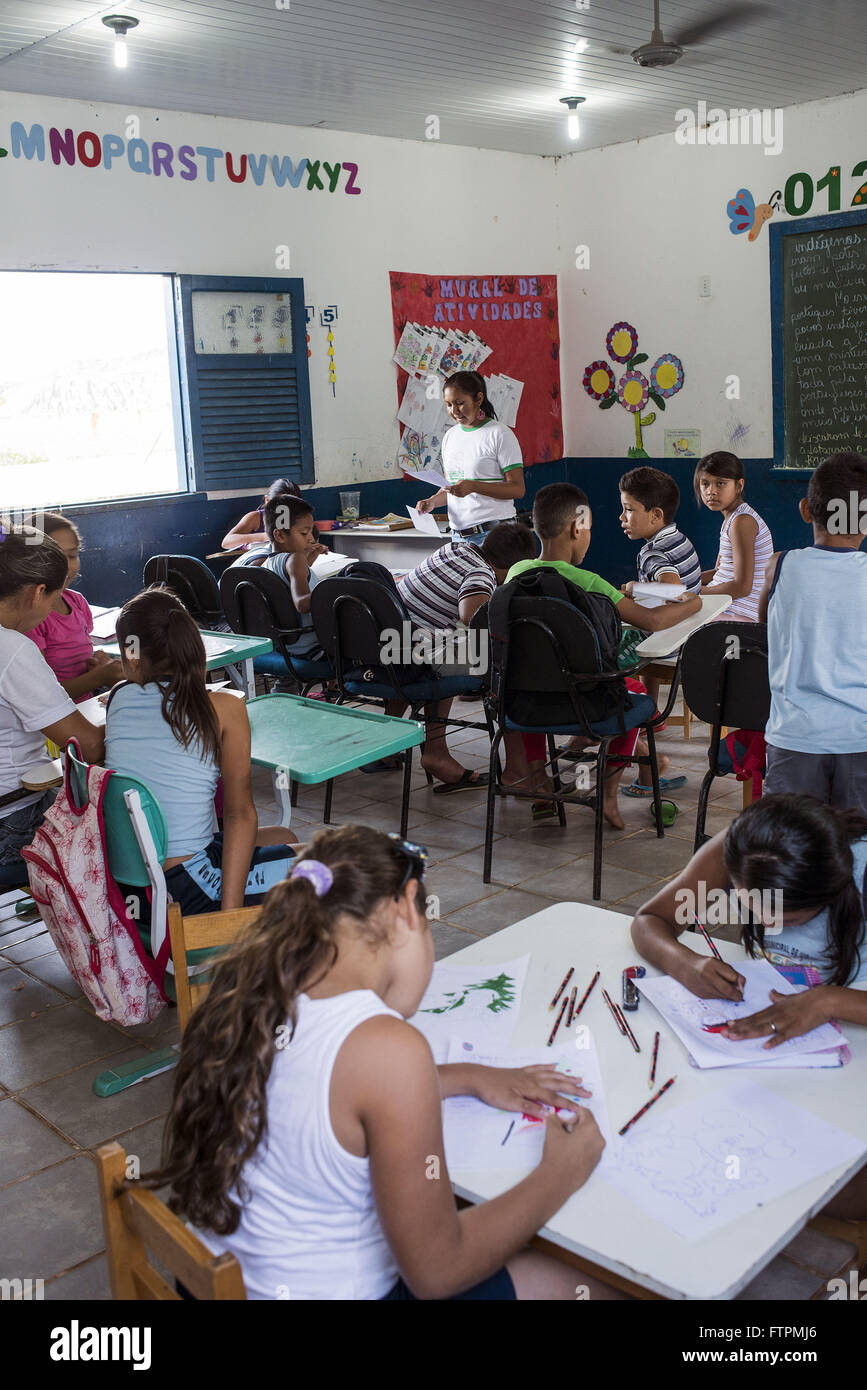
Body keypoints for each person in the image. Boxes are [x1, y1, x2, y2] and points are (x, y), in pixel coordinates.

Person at [144, 825, 622, 1300]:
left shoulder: (252, 993)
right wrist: (562, 1173)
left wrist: (470, 1077)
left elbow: (326, 1095)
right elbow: (437, 1272)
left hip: (216, 1283)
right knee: (584, 1285)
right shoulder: (391, 1049)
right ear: (407, 907)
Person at [630, 794, 867, 1221]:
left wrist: (832, 999)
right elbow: (650, 921)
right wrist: (685, 963)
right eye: (752, 904)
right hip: (788, 1050)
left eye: (790, 919)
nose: (768, 923)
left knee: (828, 1173)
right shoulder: (743, 850)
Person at [506, 484, 700, 825]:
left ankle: (539, 779)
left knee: (533, 675)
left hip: (524, 705)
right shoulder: (590, 582)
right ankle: (608, 796)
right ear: (576, 528)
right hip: (588, 704)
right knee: (631, 696)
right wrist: (694, 603)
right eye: (591, 528)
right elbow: (653, 619)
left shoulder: (515, 574)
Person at [105, 588, 296, 915]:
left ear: (130, 652)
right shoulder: (224, 707)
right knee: (330, 871)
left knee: (284, 835)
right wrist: (229, 914)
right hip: (184, 889)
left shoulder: (119, 697)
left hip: (129, 887)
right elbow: (239, 814)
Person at [392, 520, 539, 793]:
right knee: (506, 667)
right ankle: (517, 771)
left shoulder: (455, 548)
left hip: (394, 646)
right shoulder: (481, 574)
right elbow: (472, 616)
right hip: (417, 656)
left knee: (455, 643)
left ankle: (394, 745)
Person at [758, 451, 867, 810]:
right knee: (859, 850)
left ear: (806, 509)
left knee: (791, 852)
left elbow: (766, 625)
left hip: (794, 740)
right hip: (860, 740)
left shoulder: (779, 566)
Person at [0, 526, 105, 884]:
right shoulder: (12, 649)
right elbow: (86, 745)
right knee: (125, 834)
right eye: (52, 598)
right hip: (12, 822)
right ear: (37, 592)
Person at [415, 371, 525, 544]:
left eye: (460, 403)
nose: (454, 411)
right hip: (458, 536)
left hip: (495, 535)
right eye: (448, 404)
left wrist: (474, 486)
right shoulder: (450, 436)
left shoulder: (500, 434)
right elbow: (451, 488)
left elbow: (517, 489)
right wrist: (432, 502)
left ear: (478, 399)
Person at [25, 512, 123, 702]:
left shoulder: (77, 602)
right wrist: (99, 677)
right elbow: (40, 697)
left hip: (86, 707)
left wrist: (98, 663)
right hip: (54, 721)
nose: (65, 566)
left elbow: (77, 653)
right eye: (53, 557)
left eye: (72, 555)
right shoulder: (30, 617)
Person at [230, 493, 329, 663]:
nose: (312, 538)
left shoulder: (267, 564)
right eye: (304, 533)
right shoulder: (295, 559)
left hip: (285, 648)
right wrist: (333, 590)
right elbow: (302, 603)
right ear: (280, 535)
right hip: (314, 648)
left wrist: (305, 566)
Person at [695, 452, 773, 621]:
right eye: (705, 484)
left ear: (739, 485)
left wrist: (694, 591)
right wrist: (685, 582)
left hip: (737, 614)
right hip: (723, 606)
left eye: (720, 483)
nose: (711, 492)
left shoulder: (742, 521)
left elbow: (742, 587)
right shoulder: (731, 519)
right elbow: (719, 571)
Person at [221, 478, 303, 552]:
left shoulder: (299, 519)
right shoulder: (256, 518)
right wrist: (264, 537)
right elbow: (226, 542)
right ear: (267, 500)